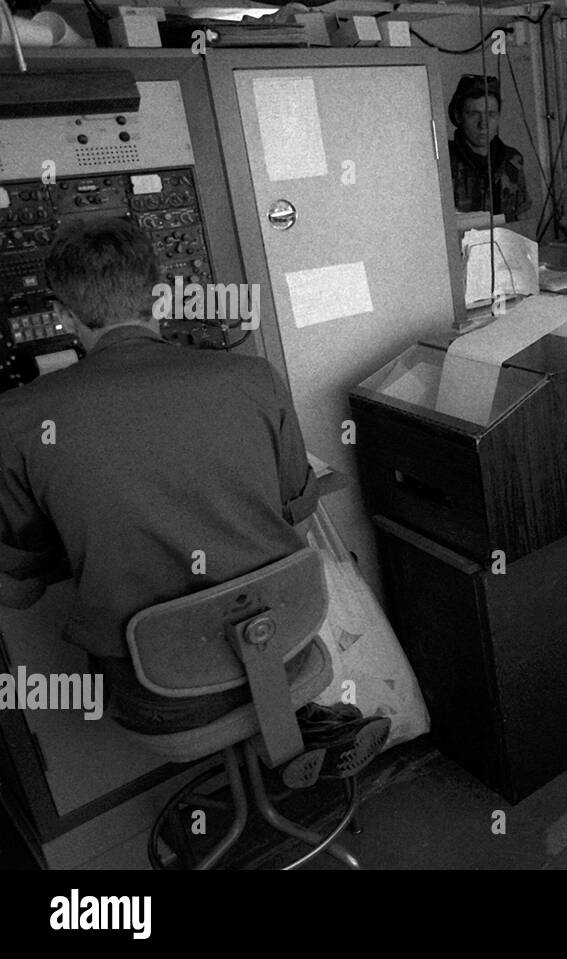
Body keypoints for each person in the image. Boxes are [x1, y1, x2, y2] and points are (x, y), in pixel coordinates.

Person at [0, 220, 385, 777]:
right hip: (283, 645)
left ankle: (274, 760)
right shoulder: (254, 377)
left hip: (160, 692)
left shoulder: (16, 417)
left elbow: (19, 590)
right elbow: (298, 519)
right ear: (159, 295)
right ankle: (300, 736)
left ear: (63, 313)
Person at [447, 74, 531, 223]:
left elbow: (523, 220)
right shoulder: (444, 162)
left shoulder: (512, 161)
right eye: (474, 114)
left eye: (491, 114)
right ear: (458, 116)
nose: (483, 124)